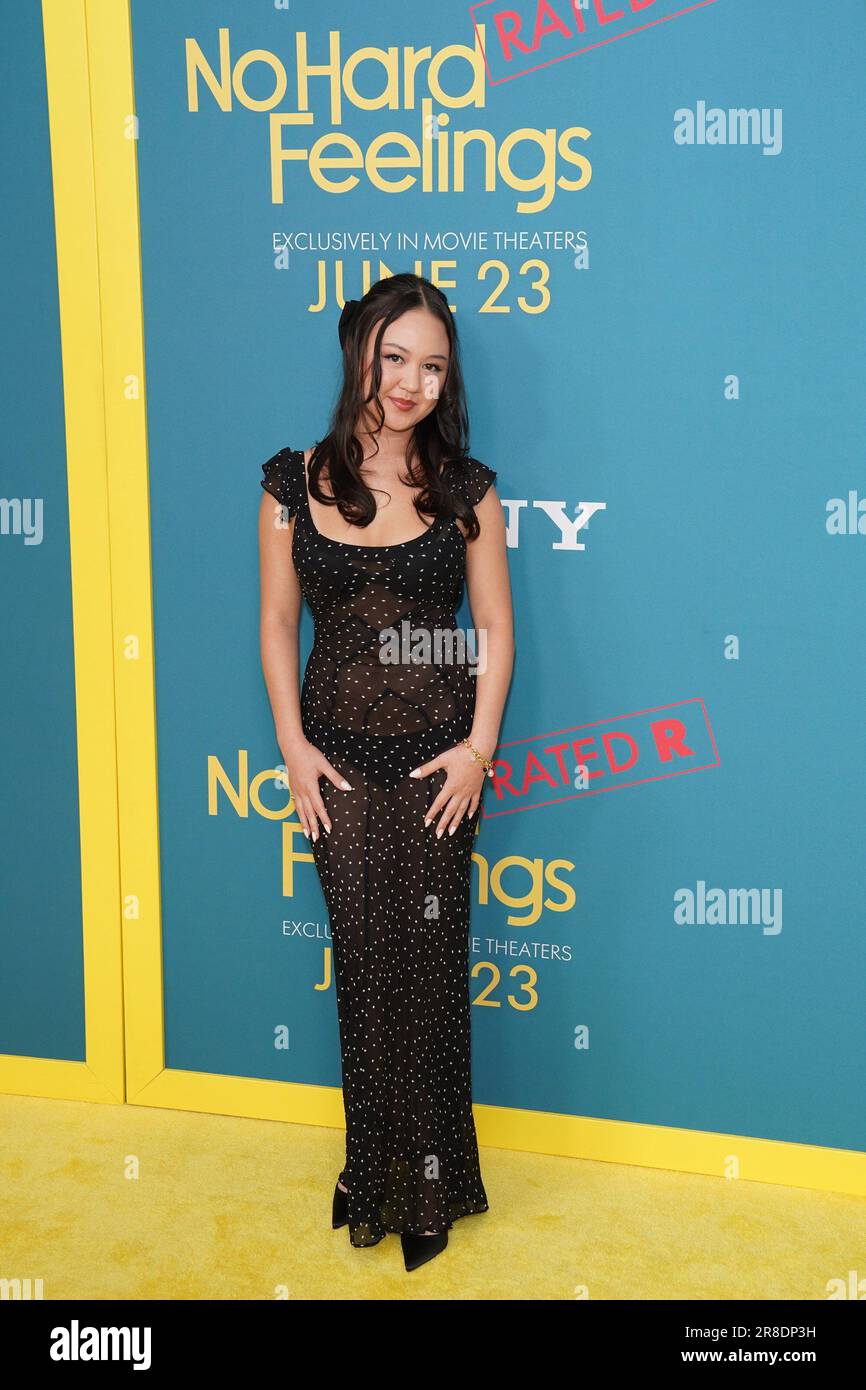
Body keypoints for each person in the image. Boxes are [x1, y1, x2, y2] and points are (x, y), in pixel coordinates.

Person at [257, 273, 514, 1271]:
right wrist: (291, 743)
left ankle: (434, 1181)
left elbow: (490, 629)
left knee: (430, 974)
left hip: (438, 759)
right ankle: (373, 1170)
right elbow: (279, 622)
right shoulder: (294, 482)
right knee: (364, 970)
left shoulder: (466, 488)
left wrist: (479, 748)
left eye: (431, 365)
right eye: (394, 355)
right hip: (334, 761)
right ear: (358, 350)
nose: (409, 380)